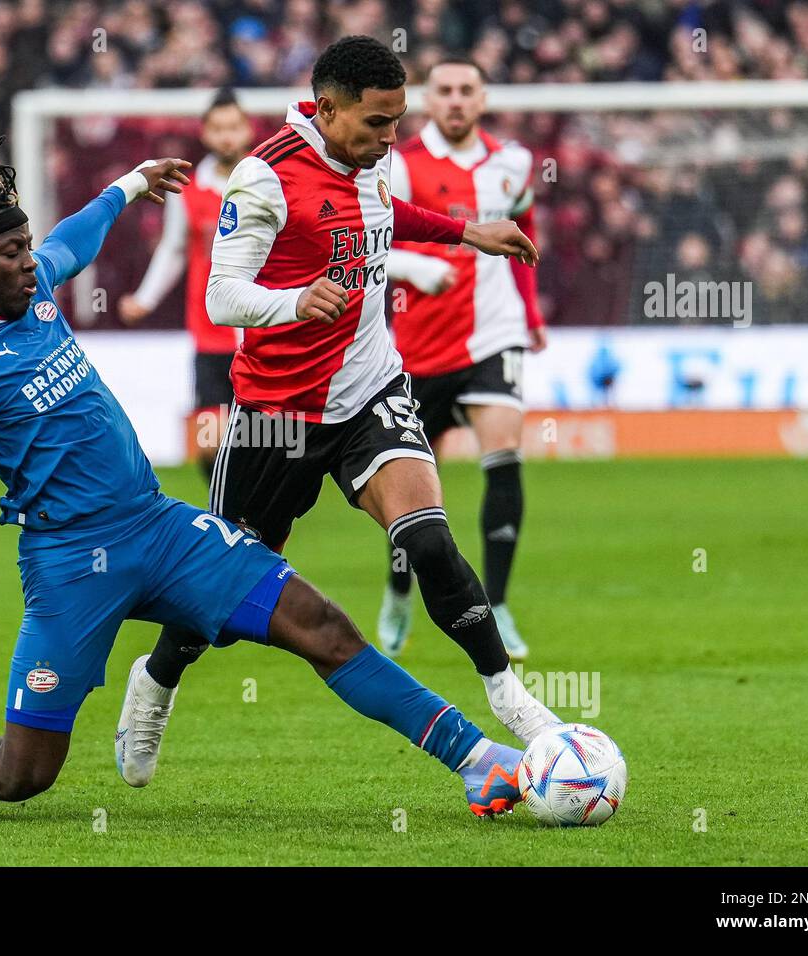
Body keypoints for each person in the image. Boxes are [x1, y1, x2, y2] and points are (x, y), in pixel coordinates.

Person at [0, 139, 529, 821]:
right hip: (68, 566)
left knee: (323, 628)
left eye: (27, 247)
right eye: (11, 253)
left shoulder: (33, 290)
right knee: (21, 775)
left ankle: (478, 758)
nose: (31, 263)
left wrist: (130, 184)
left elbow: (75, 236)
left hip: (159, 529)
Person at [116, 35, 557, 791]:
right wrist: (294, 301)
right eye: (378, 124)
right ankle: (157, 679)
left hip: (371, 391)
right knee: (212, 596)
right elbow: (224, 294)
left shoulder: (370, 157)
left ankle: (509, 697)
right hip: (275, 414)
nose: (392, 139)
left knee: (427, 538)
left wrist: (465, 232)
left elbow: (382, 214)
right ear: (328, 109)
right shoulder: (263, 178)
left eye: (397, 122)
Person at [380, 58, 546, 660]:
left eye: (465, 91)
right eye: (444, 91)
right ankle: (399, 589)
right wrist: (416, 266)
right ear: (427, 99)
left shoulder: (514, 162)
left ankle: (497, 604)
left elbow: (522, 228)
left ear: (482, 98)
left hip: (494, 336)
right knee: (412, 488)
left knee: (504, 458)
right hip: (417, 349)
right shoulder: (397, 163)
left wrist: (529, 314)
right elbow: (371, 243)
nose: (454, 101)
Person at [119, 88, 253, 479]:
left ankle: (258, 520)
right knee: (209, 443)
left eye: (234, 127)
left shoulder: (269, 183)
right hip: (211, 333)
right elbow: (174, 249)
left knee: (270, 440)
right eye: (218, 128)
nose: (227, 136)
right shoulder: (189, 191)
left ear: (246, 129)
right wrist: (145, 298)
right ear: (206, 134)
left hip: (264, 331)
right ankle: (225, 516)